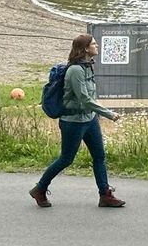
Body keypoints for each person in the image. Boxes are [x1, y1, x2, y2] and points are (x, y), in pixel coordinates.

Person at [30, 33, 125, 208]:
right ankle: (40, 189)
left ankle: (105, 195)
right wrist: (108, 114)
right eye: (94, 44)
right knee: (66, 159)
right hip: (73, 121)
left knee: (99, 156)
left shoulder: (88, 66)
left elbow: (90, 98)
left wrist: (97, 113)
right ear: (84, 48)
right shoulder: (75, 70)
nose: (97, 46)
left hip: (89, 119)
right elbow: (84, 99)